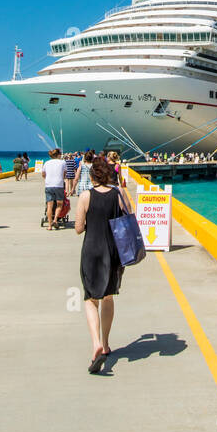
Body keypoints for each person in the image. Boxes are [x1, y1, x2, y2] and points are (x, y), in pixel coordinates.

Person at [75, 153, 127, 372]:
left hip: (91, 249)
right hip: (113, 250)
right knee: (107, 297)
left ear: (93, 177)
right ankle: (105, 344)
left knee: (90, 299)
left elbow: (78, 228)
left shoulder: (86, 196)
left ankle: (95, 342)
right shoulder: (119, 193)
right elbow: (128, 217)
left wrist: (91, 223)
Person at [42, 147, 66, 231]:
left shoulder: (46, 163)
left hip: (49, 185)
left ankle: (49, 225)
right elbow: (64, 174)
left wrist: (47, 179)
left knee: (49, 205)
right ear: (59, 155)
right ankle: (55, 220)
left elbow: (43, 174)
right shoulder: (62, 162)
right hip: (59, 185)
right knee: (59, 204)